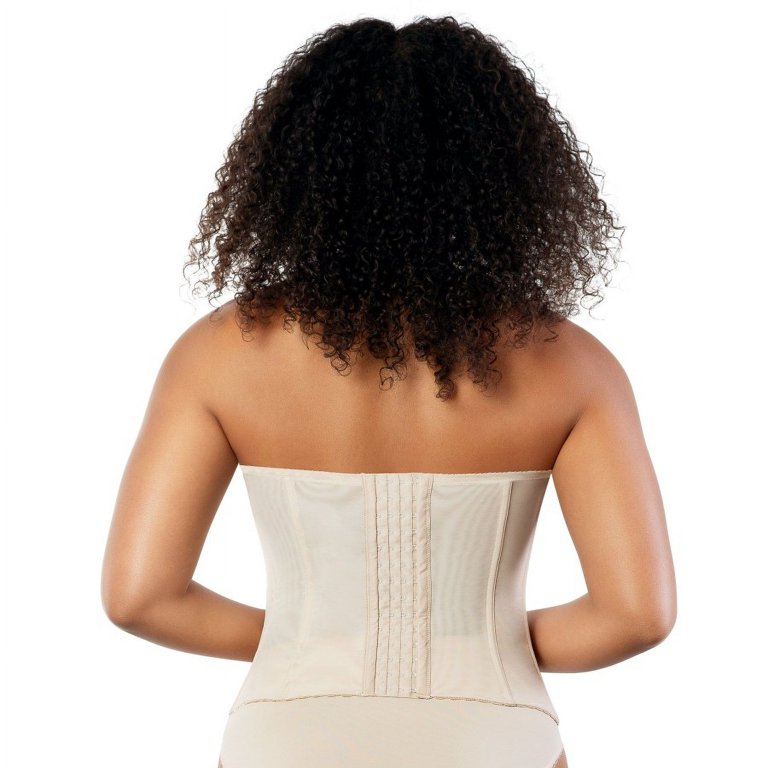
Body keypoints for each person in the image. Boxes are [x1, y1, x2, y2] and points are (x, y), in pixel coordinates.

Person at [100, 15, 677, 768]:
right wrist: (480, 645)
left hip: (283, 740)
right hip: (494, 741)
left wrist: (314, 641)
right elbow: (637, 615)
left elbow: (139, 596)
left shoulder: (216, 355)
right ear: (504, 176)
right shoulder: (573, 366)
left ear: (296, 171)